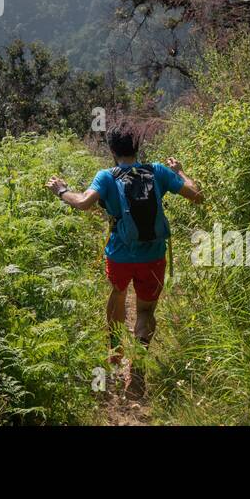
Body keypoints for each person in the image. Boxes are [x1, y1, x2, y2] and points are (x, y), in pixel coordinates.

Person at [47, 121, 203, 348]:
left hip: (119, 253)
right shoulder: (158, 171)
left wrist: (61, 190)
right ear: (137, 147)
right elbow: (198, 196)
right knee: (146, 309)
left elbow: (82, 202)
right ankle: (140, 357)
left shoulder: (106, 176)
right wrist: (179, 171)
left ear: (112, 150)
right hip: (153, 254)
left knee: (118, 293)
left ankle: (116, 350)